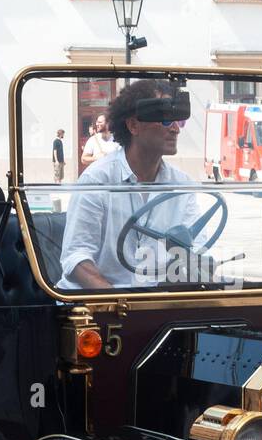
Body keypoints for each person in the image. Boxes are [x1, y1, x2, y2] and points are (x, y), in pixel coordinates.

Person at [59, 80, 203, 290]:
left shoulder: (181, 185)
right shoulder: (97, 180)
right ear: (133, 125)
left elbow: (196, 246)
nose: (175, 129)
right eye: (165, 120)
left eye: (178, 121)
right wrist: (118, 302)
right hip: (95, 301)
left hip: (155, 300)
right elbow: (76, 257)